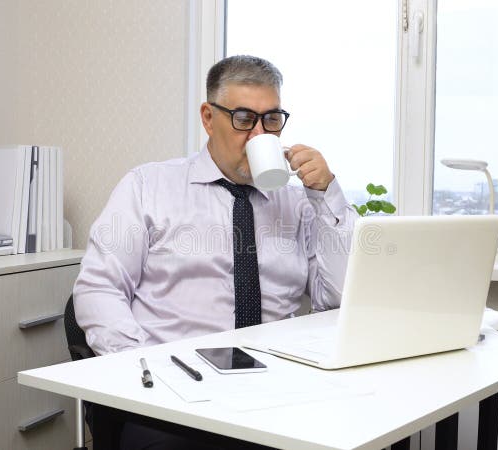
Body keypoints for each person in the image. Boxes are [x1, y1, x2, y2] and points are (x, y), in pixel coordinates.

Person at [73, 55, 358, 449]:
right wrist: (144, 370)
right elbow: (98, 289)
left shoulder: (297, 204)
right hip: (177, 393)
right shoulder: (148, 187)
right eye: (244, 118)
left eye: (271, 120)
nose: (260, 135)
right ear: (209, 118)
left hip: (279, 389)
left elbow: (338, 299)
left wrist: (326, 196)